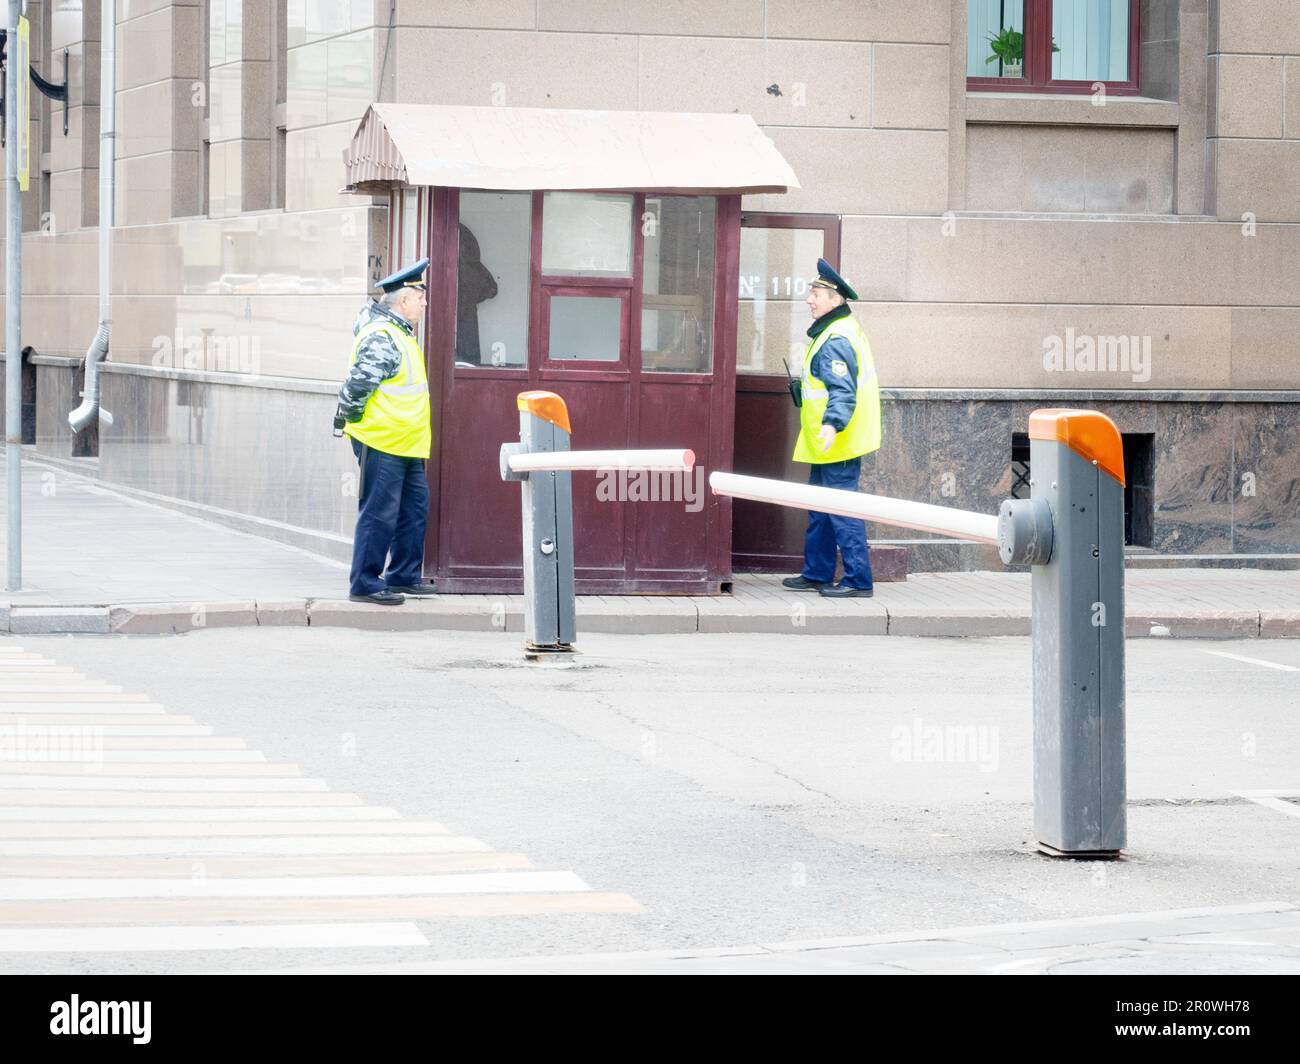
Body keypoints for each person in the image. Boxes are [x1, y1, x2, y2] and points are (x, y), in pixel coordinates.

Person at [335, 257, 437, 605]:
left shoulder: (401, 333)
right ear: (403, 301)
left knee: (414, 509)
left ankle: (403, 576)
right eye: (420, 296)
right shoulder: (383, 336)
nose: (425, 302)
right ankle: (364, 582)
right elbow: (357, 386)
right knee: (379, 512)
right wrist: (353, 424)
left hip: (407, 443)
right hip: (381, 441)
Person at [781, 258, 882, 599]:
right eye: (811, 292)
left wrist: (832, 425)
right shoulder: (833, 331)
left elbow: (842, 390)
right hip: (829, 443)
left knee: (841, 510)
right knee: (821, 509)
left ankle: (857, 580)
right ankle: (818, 573)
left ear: (836, 300)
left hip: (838, 441)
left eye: (817, 293)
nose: (810, 299)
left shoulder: (836, 338)